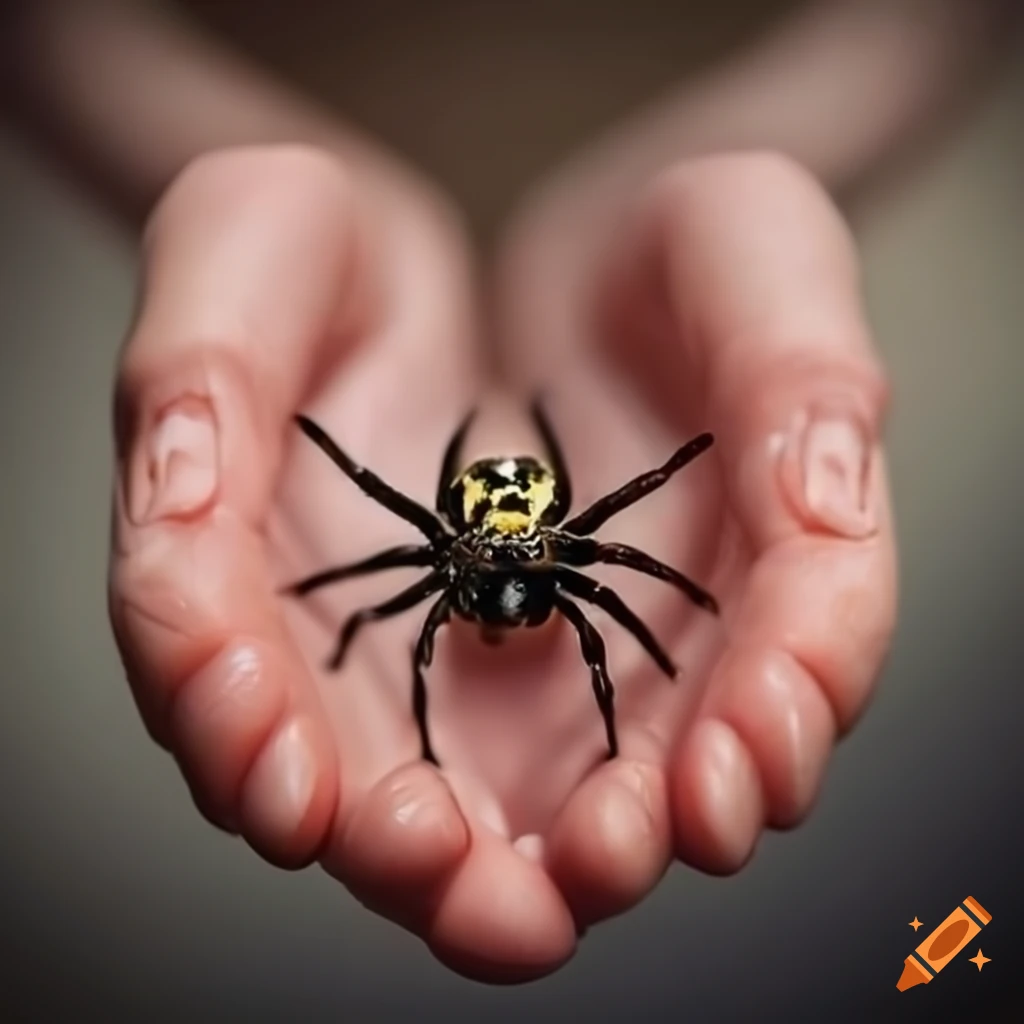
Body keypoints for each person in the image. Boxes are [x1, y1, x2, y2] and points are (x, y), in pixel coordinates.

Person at [0, 0, 1015, 985]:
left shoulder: (531, 556)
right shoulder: (459, 559)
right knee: (457, 595)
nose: (492, 588)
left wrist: (688, 515)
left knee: (595, 589)